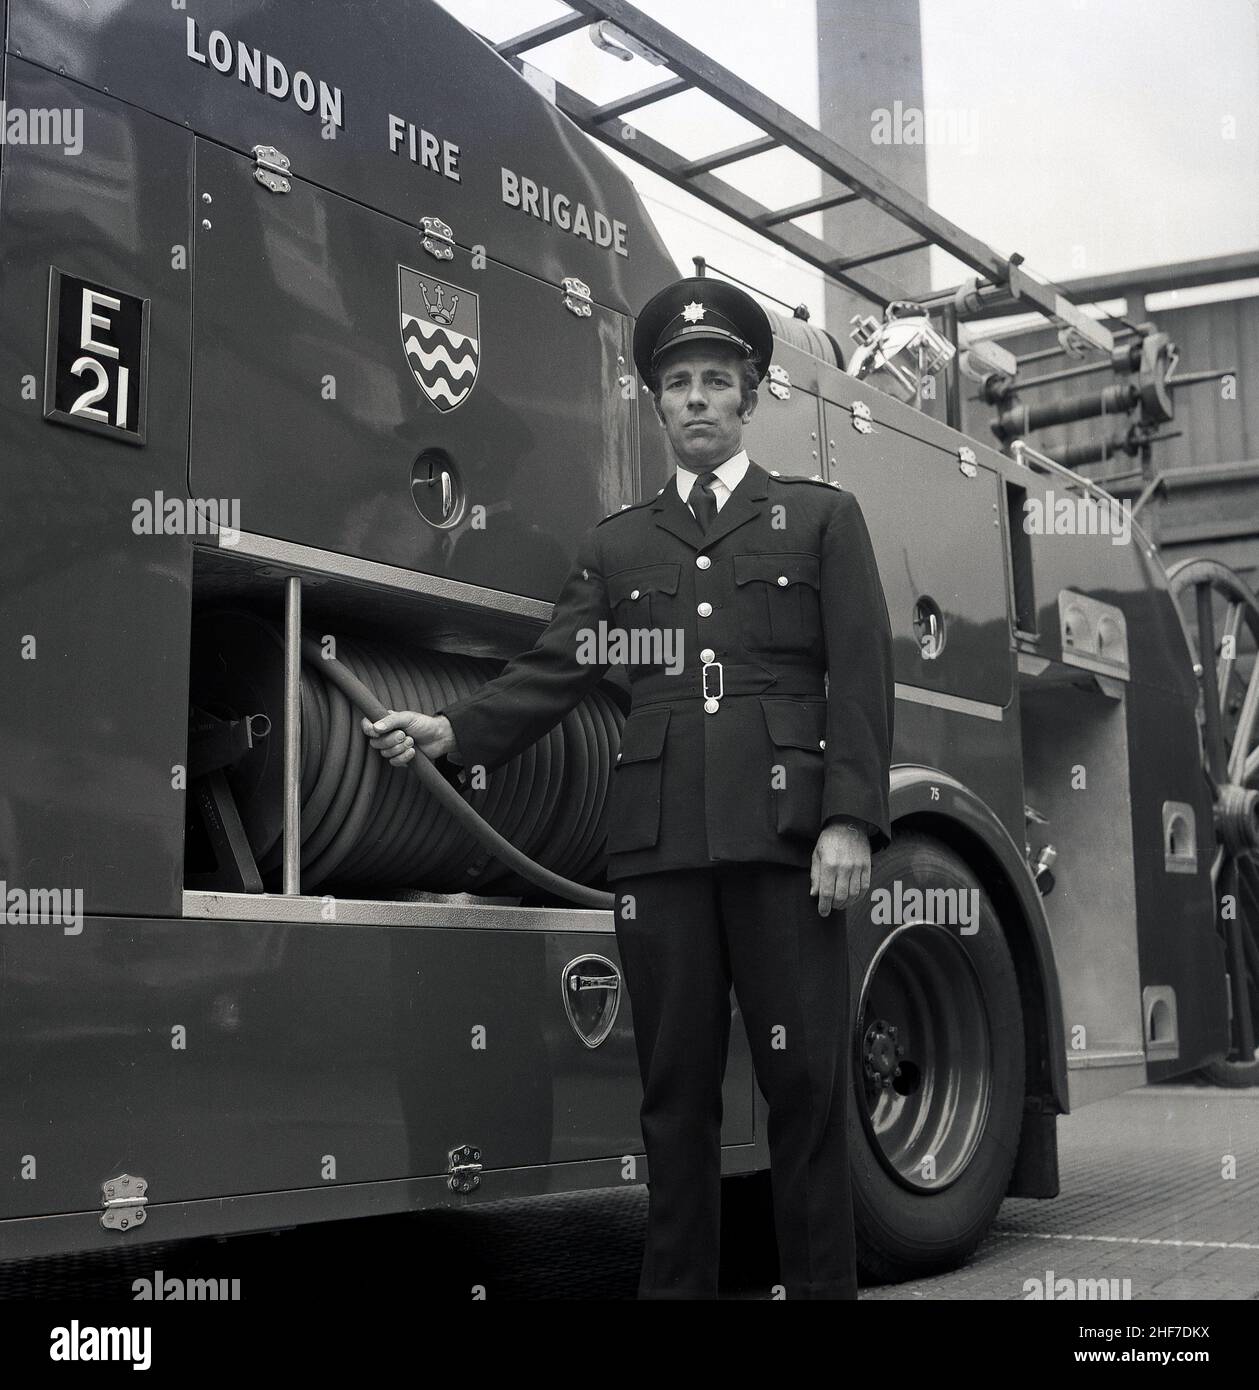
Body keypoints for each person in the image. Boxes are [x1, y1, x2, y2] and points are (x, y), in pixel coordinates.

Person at [364, 275, 895, 1300]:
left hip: (787, 845)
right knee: (672, 1099)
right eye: (677, 385)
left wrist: (847, 821)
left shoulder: (820, 519)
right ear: (657, 406)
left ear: (748, 397)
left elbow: (860, 680)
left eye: (715, 382)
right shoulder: (617, 544)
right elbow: (555, 669)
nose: (696, 399)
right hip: (659, 856)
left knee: (804, 1089)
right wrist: (455, 728)